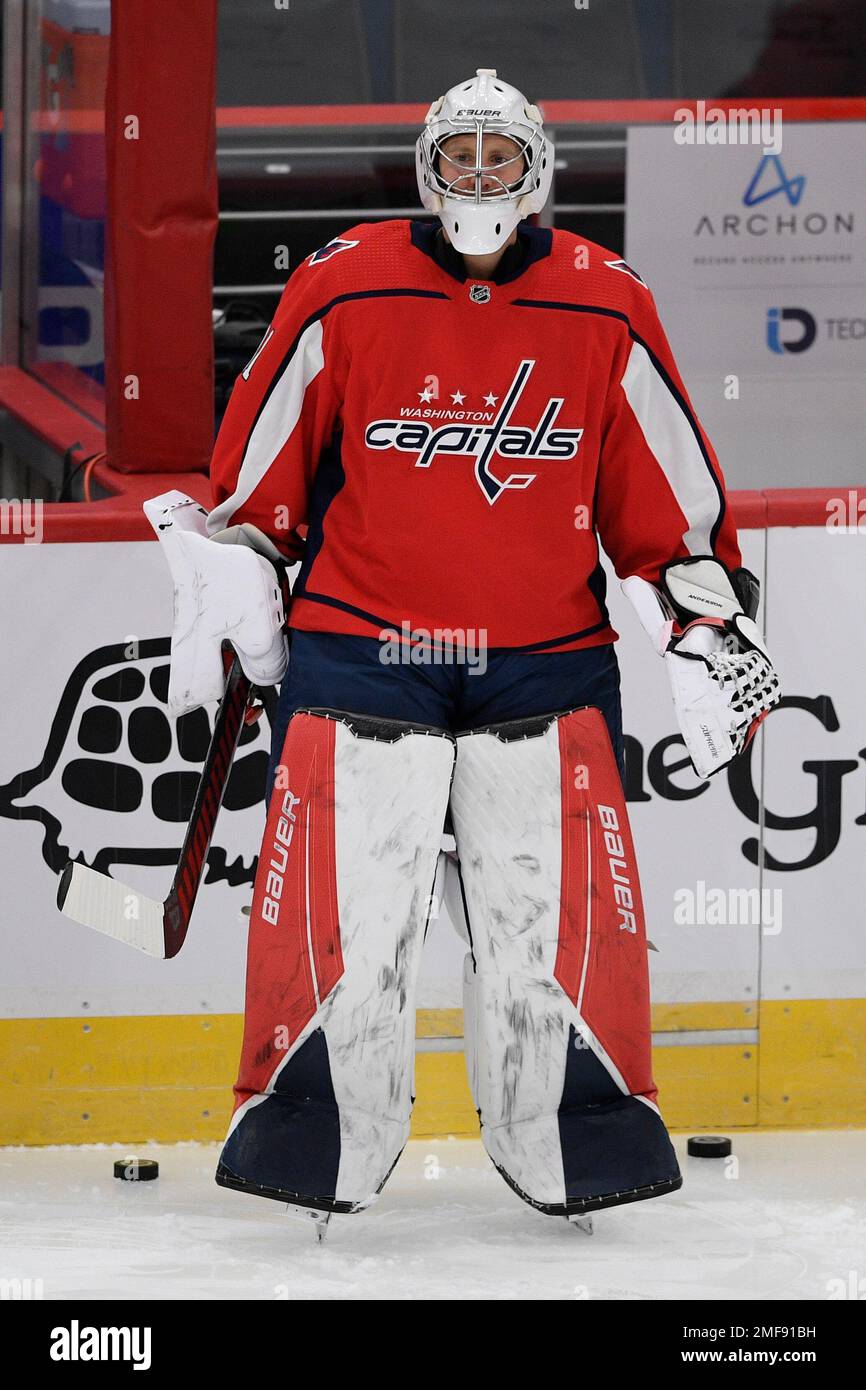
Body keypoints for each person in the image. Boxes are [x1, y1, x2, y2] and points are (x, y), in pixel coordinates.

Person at [181, 69, 778, 1227]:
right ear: (426, 166)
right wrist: (238, 578)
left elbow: (667, 507)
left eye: (499, 159)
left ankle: (579, 1128)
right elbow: (256, 480)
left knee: (548, 929)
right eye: (460, 157)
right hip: (362, 654)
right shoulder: (340, 284)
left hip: (544, 662)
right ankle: (314, 1131)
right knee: (345, 924)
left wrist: (699, 615)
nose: (479, 180)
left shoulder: (608, 302)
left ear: (536, 169)